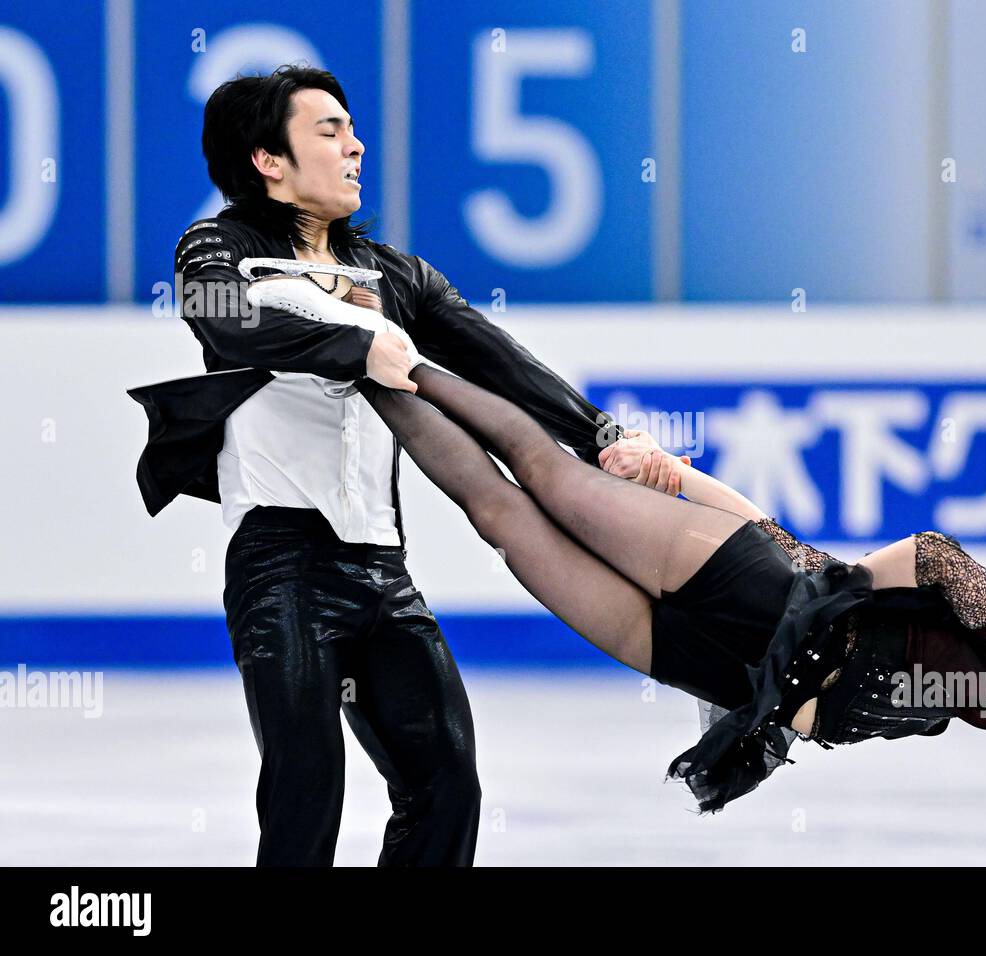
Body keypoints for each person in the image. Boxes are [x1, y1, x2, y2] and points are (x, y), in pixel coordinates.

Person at [126, 65, 625, 862]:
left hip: (383, 573)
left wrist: (600, 434)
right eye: (329, 129)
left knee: (447, 784)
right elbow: (228, 324)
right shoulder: (219, 247)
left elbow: (498, 362)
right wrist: (355, 345)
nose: (356, 144)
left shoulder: (396, 275)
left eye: (352, 128)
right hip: (281, 566)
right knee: (306, 785)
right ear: (268, 159)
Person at [327, 354, 986, 815]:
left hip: (702, 660)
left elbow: (804, 564)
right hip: (748, 589)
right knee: (548, 478)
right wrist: (834, 592)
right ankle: (401, 356)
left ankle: (360, 373)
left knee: (506, 523)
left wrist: (777, 720)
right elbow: (929, 554)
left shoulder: (948, 707)